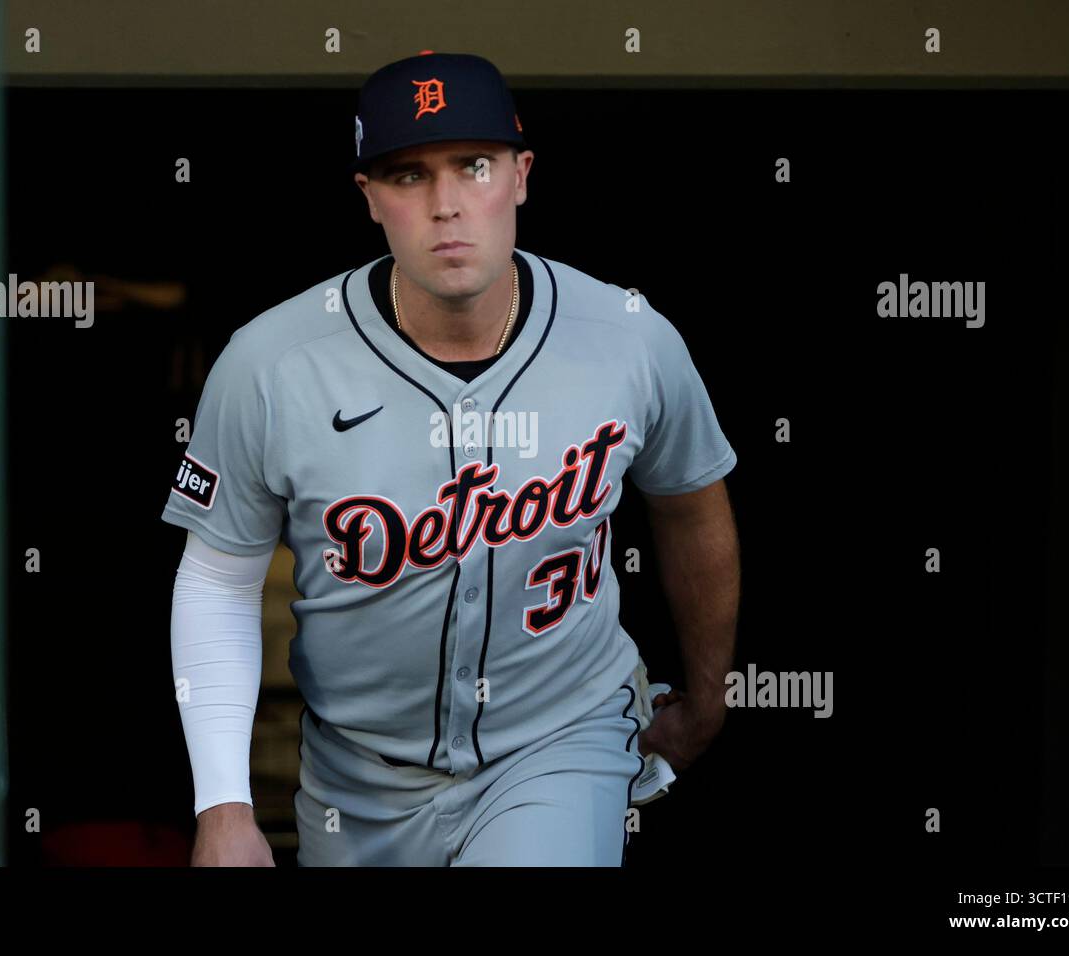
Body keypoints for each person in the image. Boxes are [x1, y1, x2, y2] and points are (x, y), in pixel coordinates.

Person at [163, 51, 740, 866]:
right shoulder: (270, 363)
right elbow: (220, 576)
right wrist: (222, 803)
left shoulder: (628, 336)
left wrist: (710, 696)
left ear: (521, 176)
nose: (446, 205)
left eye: (474, 166)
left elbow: (689, 499)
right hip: (354, 779)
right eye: (407, 175)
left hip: (557, 742)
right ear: (368, 197)